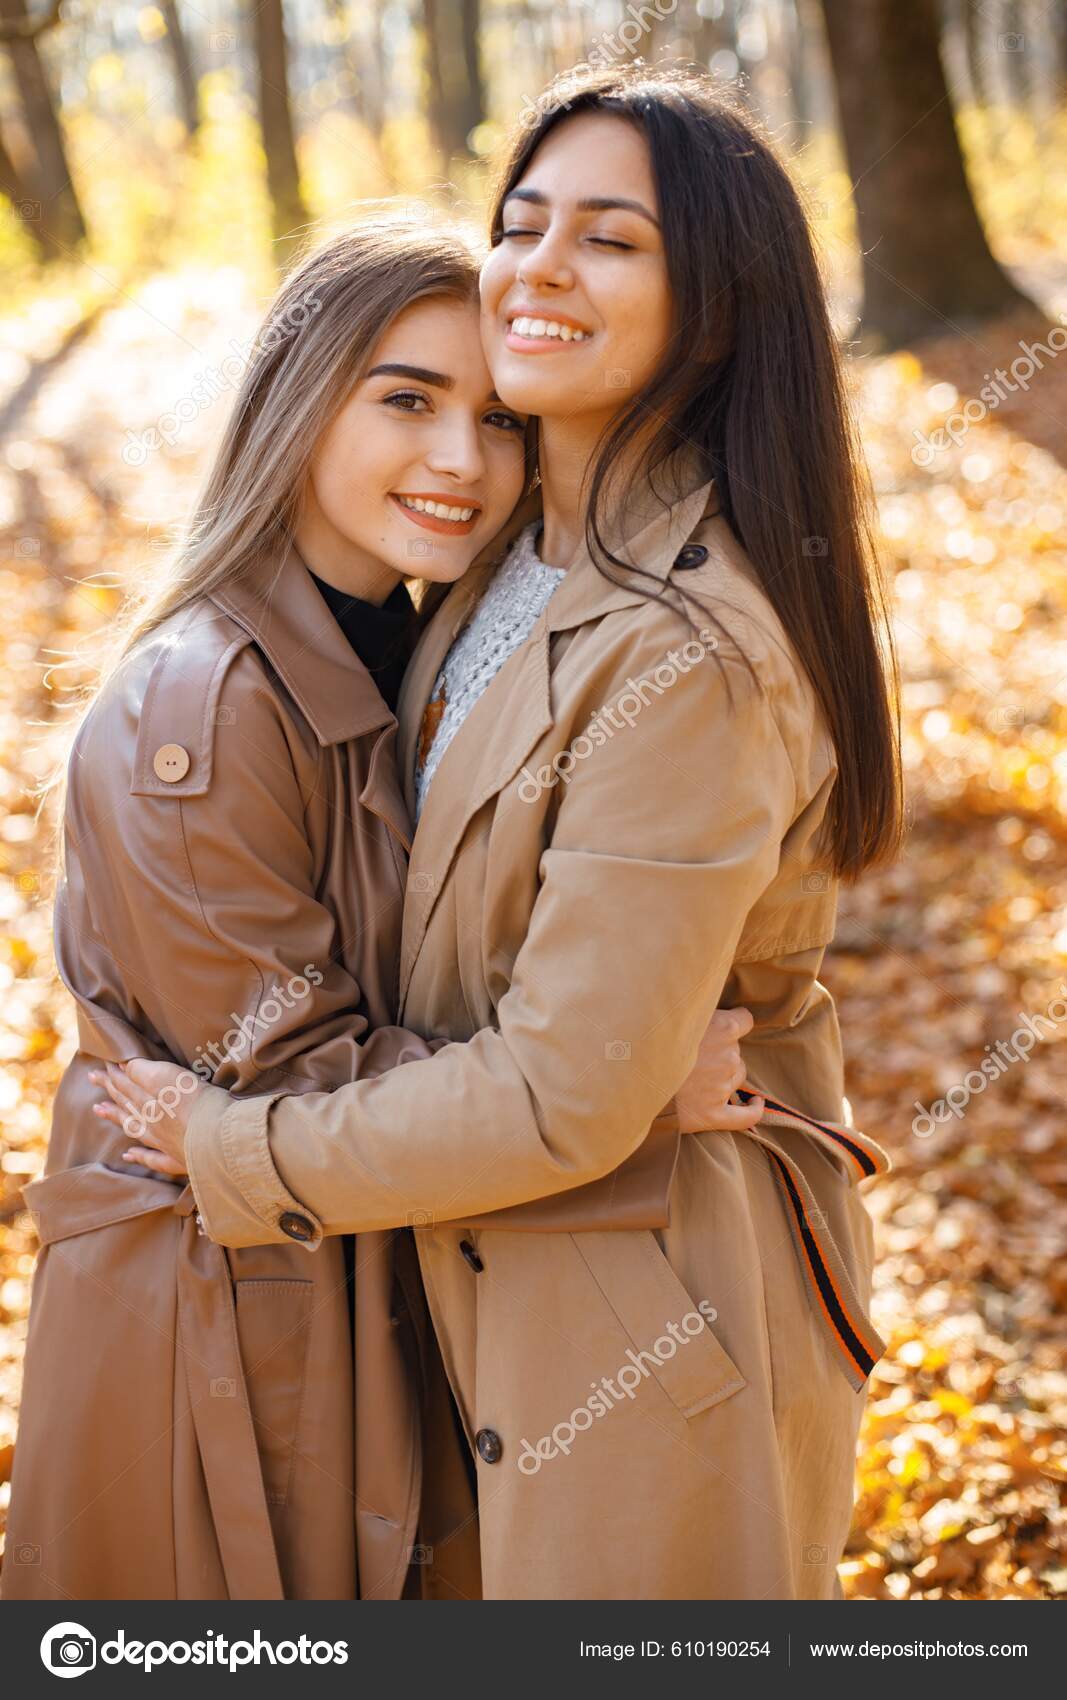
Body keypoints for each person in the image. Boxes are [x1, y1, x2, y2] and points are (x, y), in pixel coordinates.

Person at [94, 66, 901, 1600]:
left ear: (717, 305)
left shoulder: (692, 649)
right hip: (475, 1277)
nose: (535, 267)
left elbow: (560, 1099)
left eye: (610, 238)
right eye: (521, 220)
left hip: (649, 1316)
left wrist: (226, 1144)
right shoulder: (513, 556)